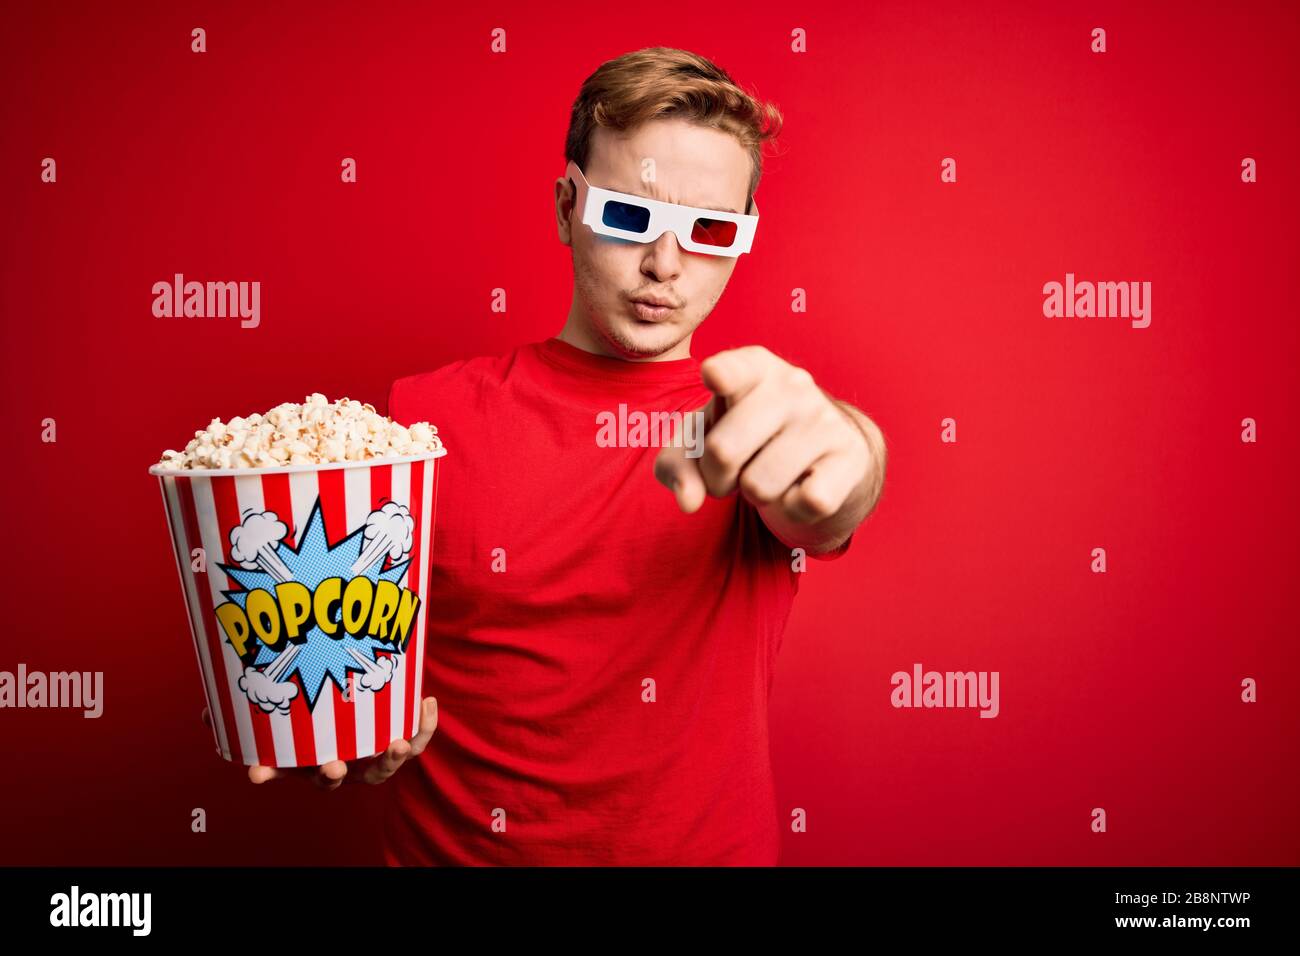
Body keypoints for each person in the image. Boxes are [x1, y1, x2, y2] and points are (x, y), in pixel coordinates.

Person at [218, 46, 887, 865]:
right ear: (568, 207)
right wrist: (343, 724)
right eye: (629, 217)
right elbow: (344, 644)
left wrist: (854, 448)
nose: (665, 265)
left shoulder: (751, 431)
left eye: (708, 229)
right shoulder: (417, 425)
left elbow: (829, 489)